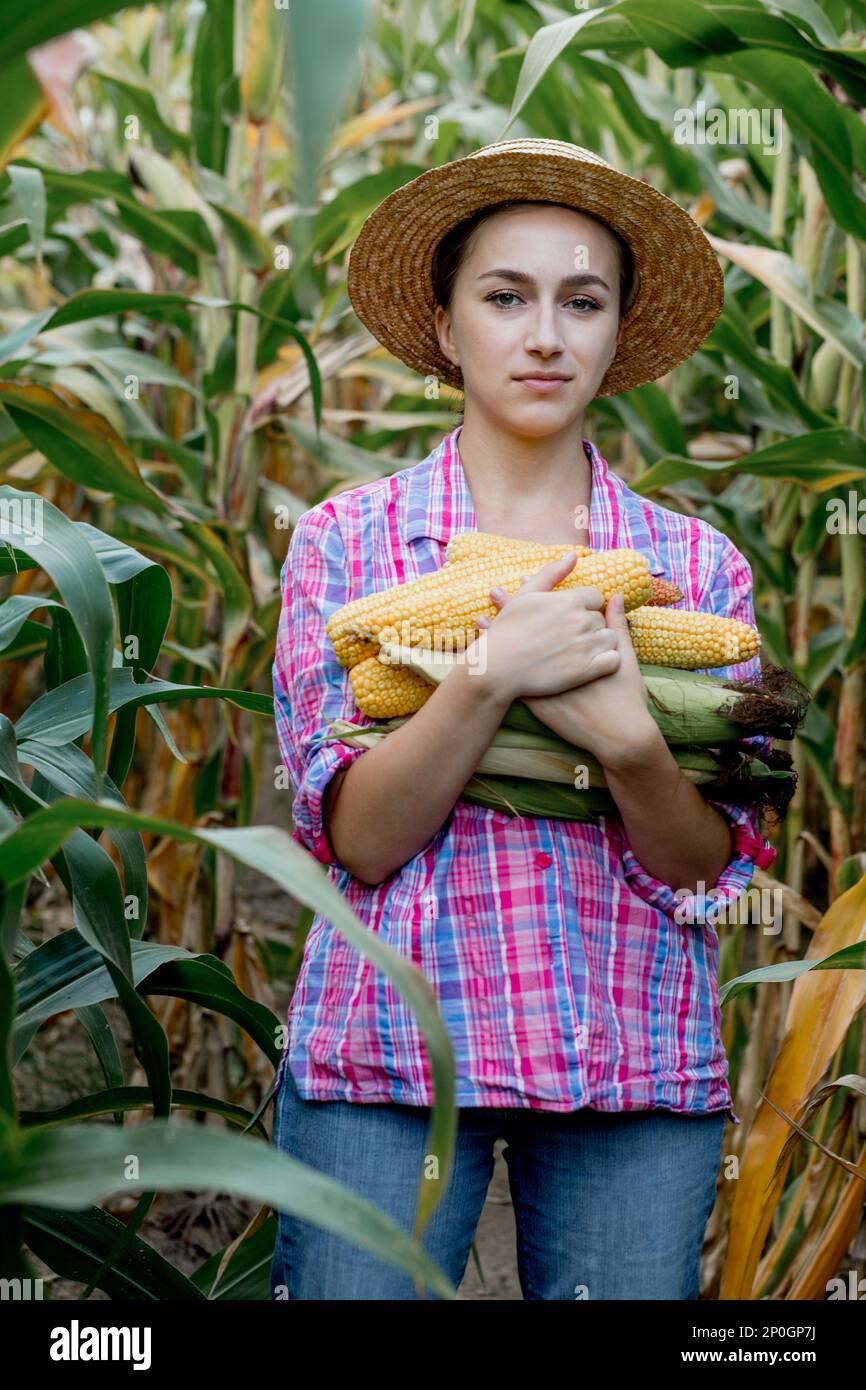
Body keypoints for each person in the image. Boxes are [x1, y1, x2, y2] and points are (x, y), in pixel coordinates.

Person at [269, 138, 777, 1301]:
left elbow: (709, 872)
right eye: (504, 297)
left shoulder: (693, 566)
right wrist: (488, 673)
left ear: (614, 331)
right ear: (446, 328)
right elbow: (358, 839)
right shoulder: (342, 546)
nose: (543, 335)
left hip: (628, 1057)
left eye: (580, 301)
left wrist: (631, 743)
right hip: (387, 1061)